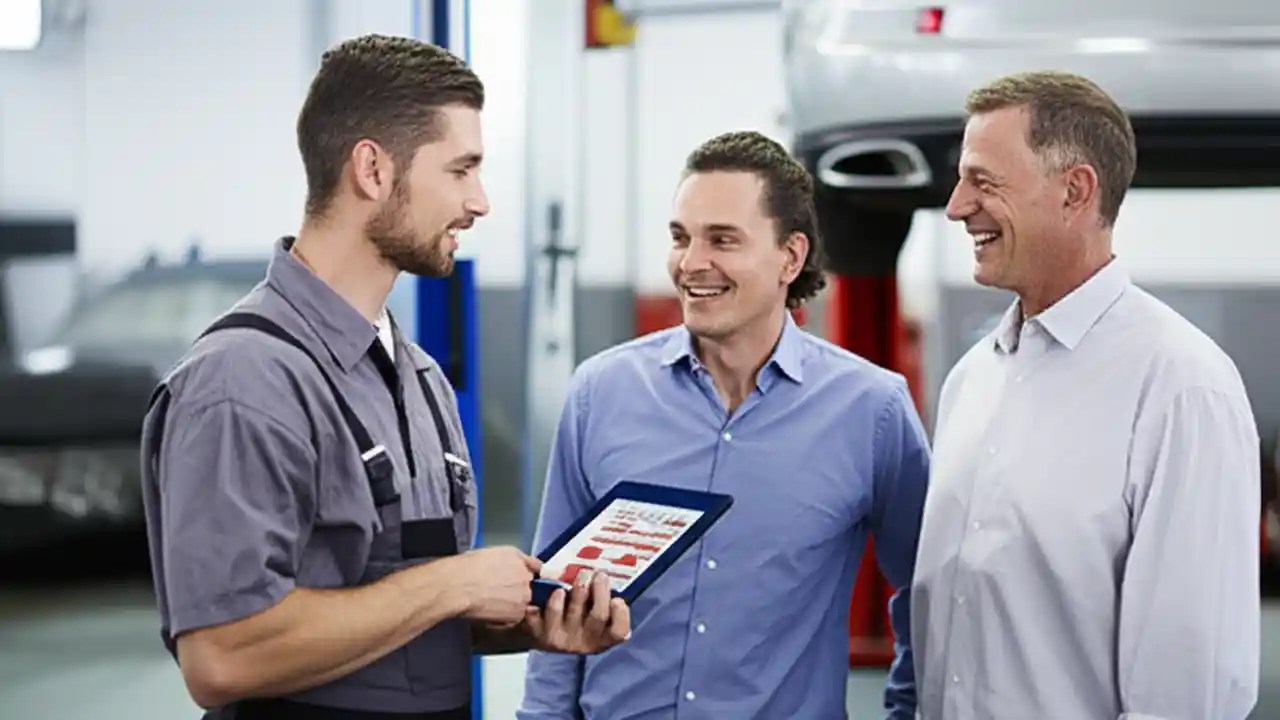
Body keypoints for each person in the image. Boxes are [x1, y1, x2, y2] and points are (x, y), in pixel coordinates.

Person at [139, 34, 629, 719]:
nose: (480, 201)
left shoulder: (420, 378)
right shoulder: (243, 380)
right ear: (372, 170)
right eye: (460, 170)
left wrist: (525, 618)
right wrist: (454, 585)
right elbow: (223, 656)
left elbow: (389, 617)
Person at [517, 130, 932, 719]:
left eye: (722, 240)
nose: (691, 263)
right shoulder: (601, 393)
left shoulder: (871, 411)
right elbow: (555, 602)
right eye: (680, 237)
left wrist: (907, 712)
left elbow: (926, 595)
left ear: (790, 257)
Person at [911, 70, 1261, 719]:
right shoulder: (971, 379)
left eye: (984, 181)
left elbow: (1186, 691)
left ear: (1074, 190)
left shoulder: (1180, 387)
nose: (957, 206)